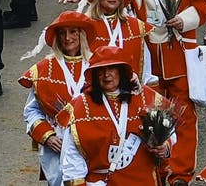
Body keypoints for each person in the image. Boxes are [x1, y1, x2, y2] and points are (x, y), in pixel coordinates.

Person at [118, 0, 206, 185]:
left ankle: (180, 174)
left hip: (180, 53)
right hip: (146, 57)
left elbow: (205, 2)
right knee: (152, 115)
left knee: (182, 114)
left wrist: (184, 19)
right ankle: (159, 169)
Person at [60, 46, 172, 185]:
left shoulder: (147, 98)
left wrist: (165, 148)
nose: (106, 75)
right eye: (100, 70)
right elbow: (72, 159)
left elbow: (170, 135)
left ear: (121, 71)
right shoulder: (80, 106)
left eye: (111, 68)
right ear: (95, 75)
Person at [19, 11, 95, 186]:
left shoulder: (96, 65)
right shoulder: (44, 69)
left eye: (73, 32)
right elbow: (31, 111)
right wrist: (48, 137)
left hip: (92, 143)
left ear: (82, 35)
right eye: (62, 33)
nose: (67, 38)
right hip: (58, 146)